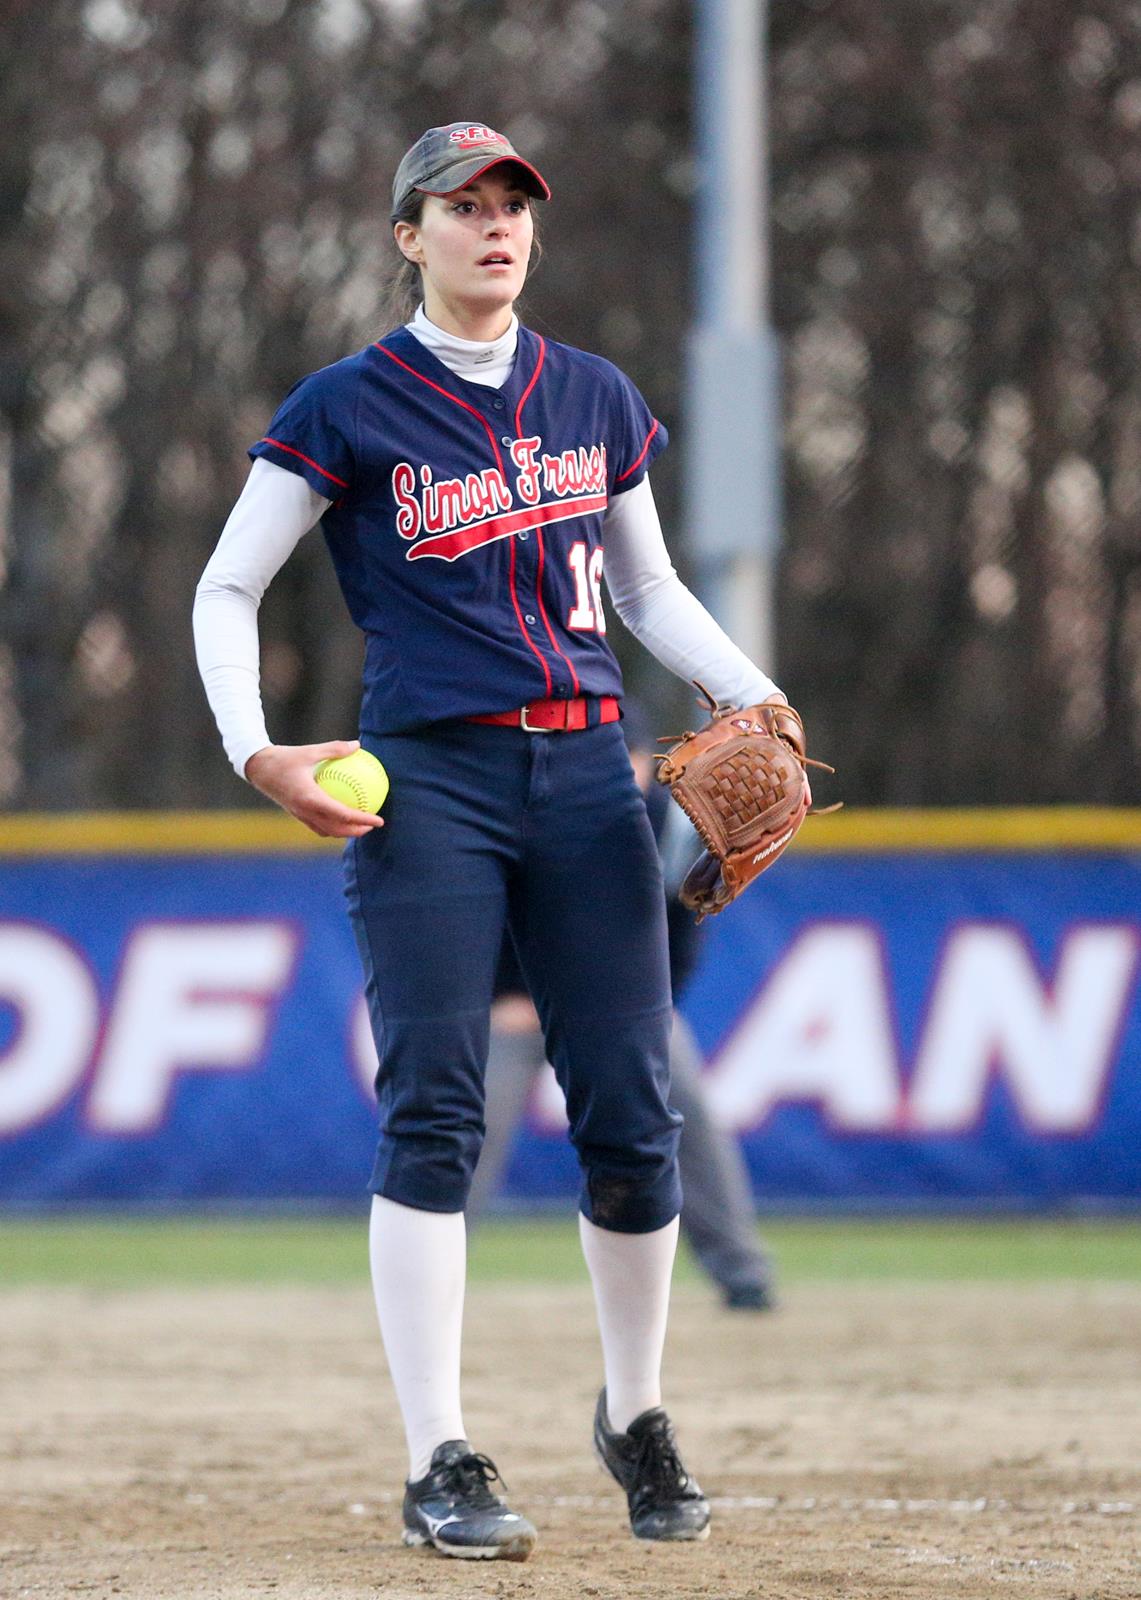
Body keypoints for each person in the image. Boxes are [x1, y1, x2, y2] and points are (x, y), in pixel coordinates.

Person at [193, 121, 805, 1562]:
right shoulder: (349, 404)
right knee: (436, 1111)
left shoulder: (590, 394)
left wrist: (755, 698)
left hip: (593, 778)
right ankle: (439, 1458)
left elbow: (646, 594)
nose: (493, 225)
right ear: (407, 236)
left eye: (512, 202)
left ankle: (636, 1414)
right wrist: (259, 750)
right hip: (433, 785)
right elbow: (226, 585)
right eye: (459, 205)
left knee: (633, 1118)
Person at [467, 700, 778, 1312]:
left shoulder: (668, 824)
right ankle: (424, 1271)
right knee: (464, 1127)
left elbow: (682, 929)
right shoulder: (520, 803)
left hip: (627, 999)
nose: (624, 772)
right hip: (518, 1002)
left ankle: (743, 1272)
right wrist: (507, 992)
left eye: (631, 759)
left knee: (687, 1117)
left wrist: (652, 1003)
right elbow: (474, 914)